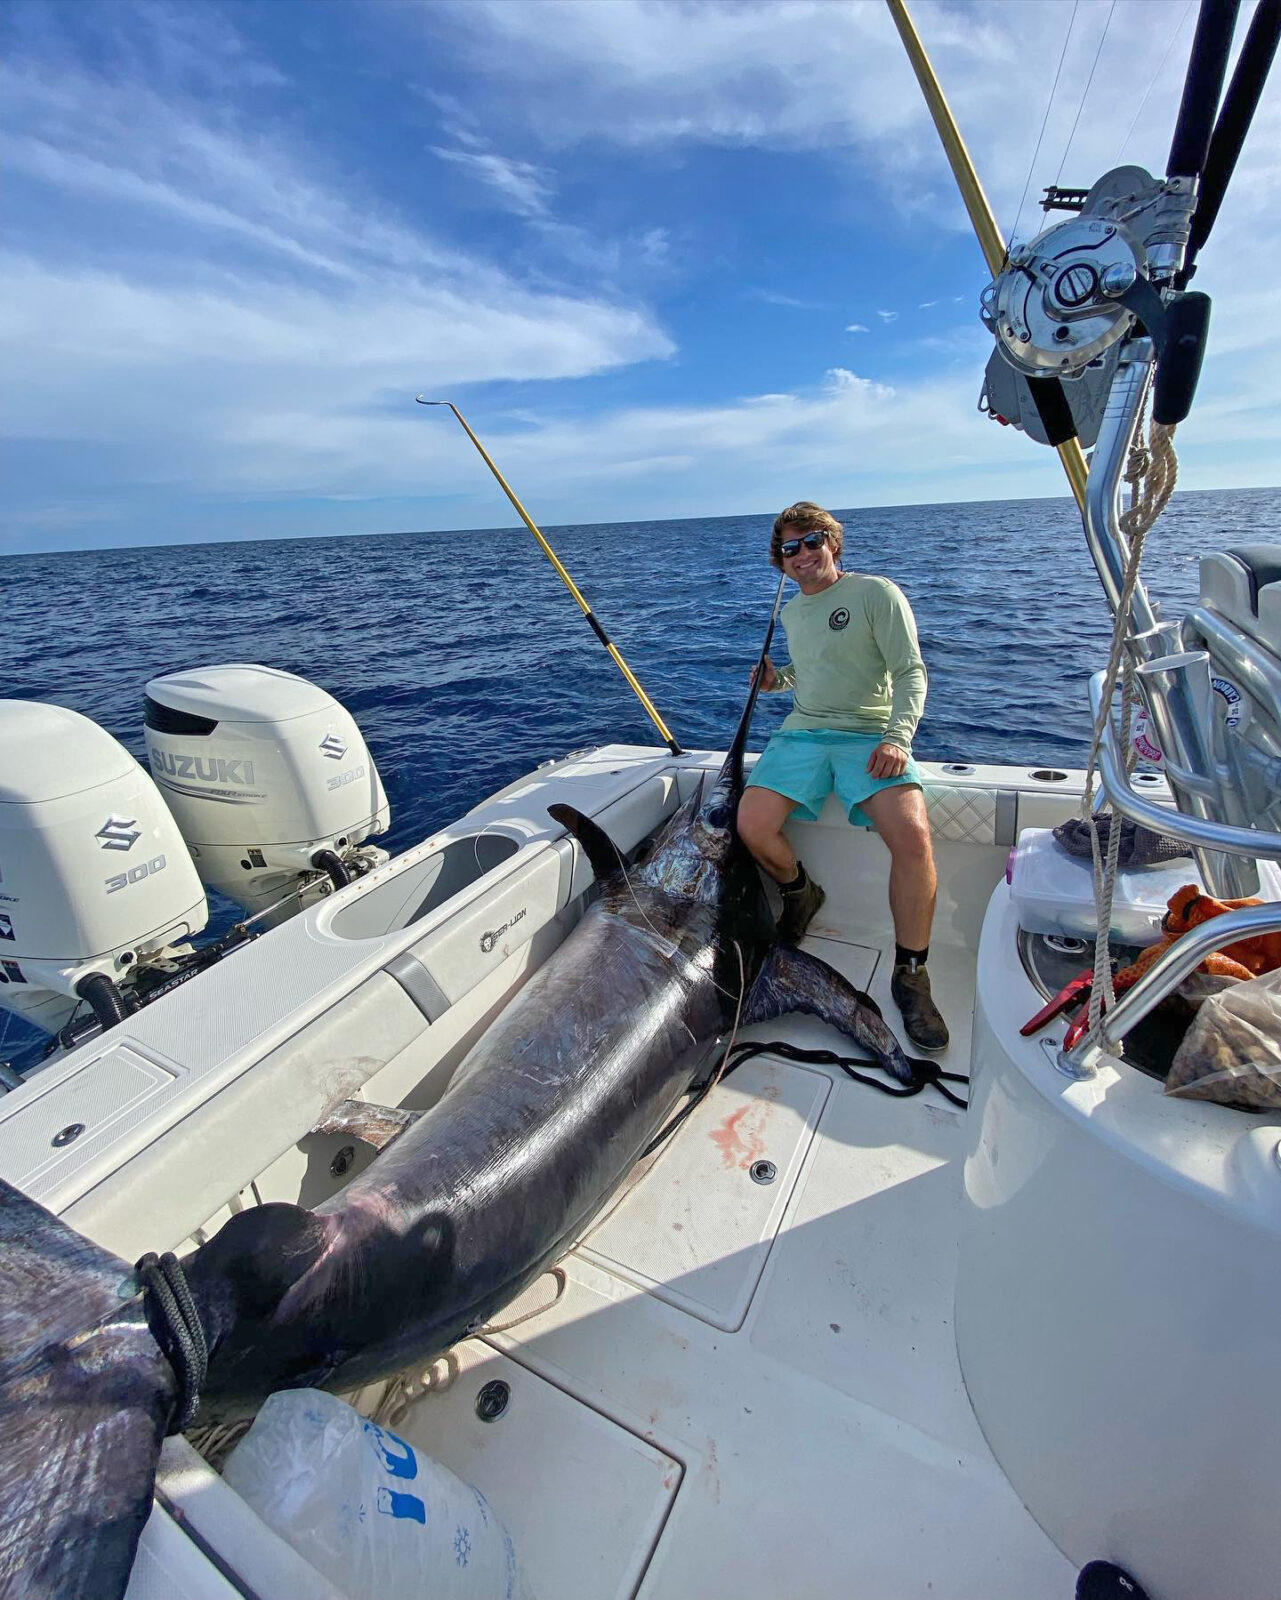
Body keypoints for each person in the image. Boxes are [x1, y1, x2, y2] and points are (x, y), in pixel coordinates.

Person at [738, 500, 948, 1051]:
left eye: (811, 541)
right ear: (780, 560)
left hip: (868, 734)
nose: (801, 555)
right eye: (789, 548)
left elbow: (909, 671)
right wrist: (774, 681)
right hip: (803, 733)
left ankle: (911, 974)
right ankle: (800, 893)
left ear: (832, 542)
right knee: (752, 826)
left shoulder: (876, 593)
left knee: (913, 836)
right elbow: (808, 676)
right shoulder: (792, 613)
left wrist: (897, 738)